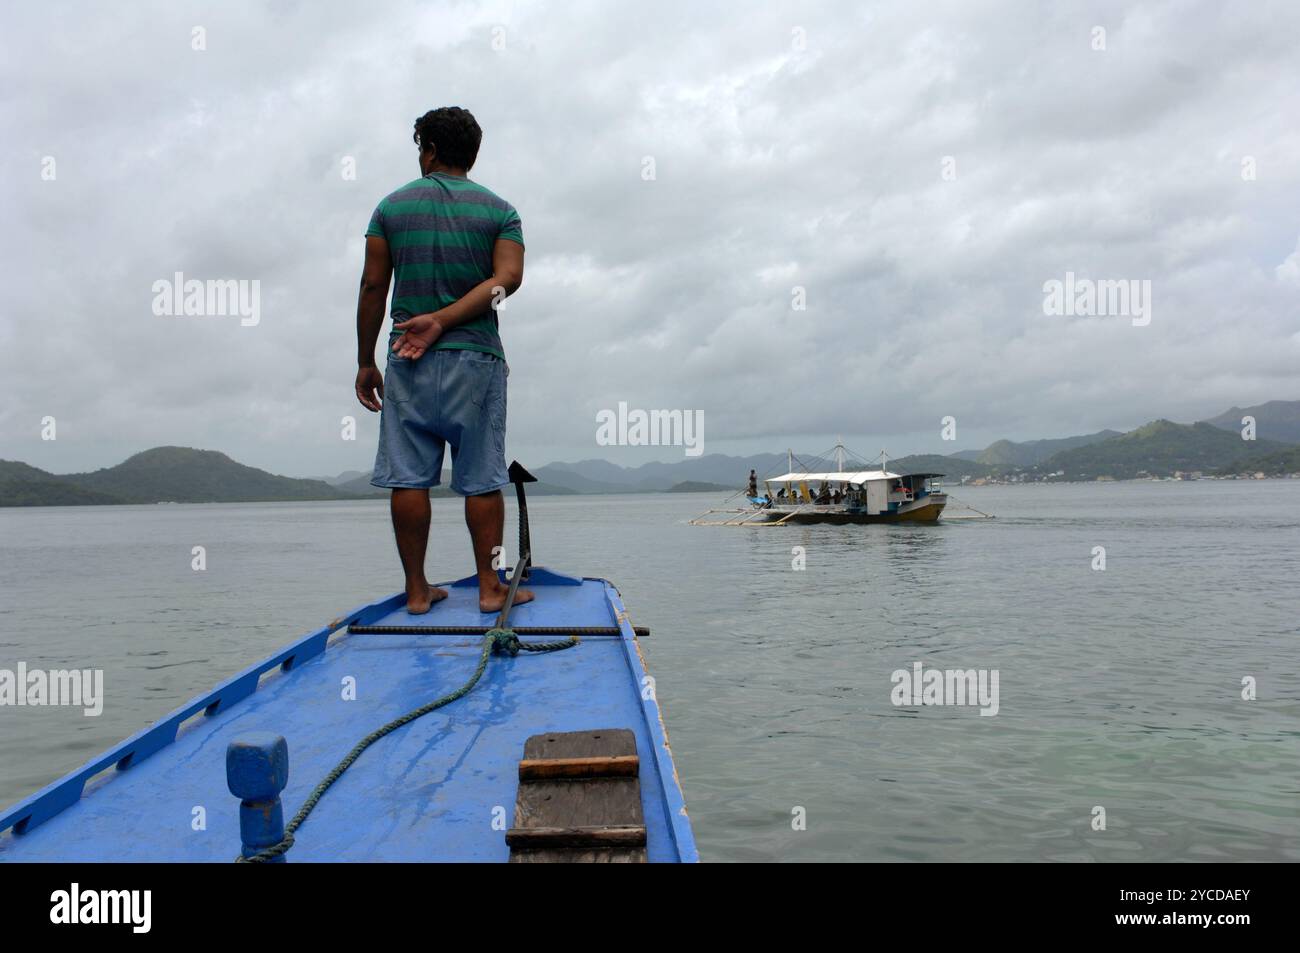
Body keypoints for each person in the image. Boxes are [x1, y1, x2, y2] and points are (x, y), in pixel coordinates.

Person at [354, 106, 533, 616]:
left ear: (428, 150)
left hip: (407, 355)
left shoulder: (389, 208)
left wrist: (367, 360)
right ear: (471, 155)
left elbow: (372, 285)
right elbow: (508, 279)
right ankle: (489, 588)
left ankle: (416, 591)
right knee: (481, 477)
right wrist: (450, 320)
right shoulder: (501, 212)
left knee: (409, 477)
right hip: (476, 359)